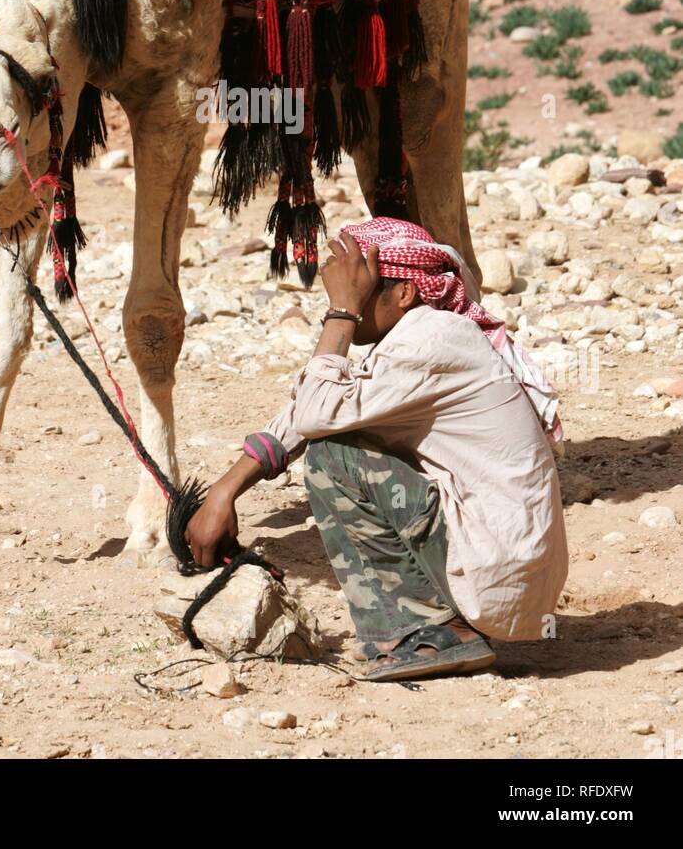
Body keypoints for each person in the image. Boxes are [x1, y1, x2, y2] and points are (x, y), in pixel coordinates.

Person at [186, 218, 568, 681]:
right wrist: (224, 491)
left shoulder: (433, 340)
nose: (342, 300)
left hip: (495, 573)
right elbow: (305, 414)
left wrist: (342, 314)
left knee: (335, 457)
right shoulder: (421, 337)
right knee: (342, 434)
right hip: (503, 570)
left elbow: (316, 415)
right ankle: (441, 624)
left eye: (357, 288)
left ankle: (427, 633)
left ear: (404, 292)